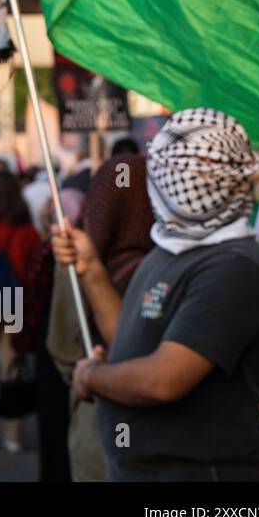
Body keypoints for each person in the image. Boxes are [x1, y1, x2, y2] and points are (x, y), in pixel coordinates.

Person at [53, 108, 259, 481]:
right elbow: (129, 343)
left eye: (203, 172)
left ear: (234, 180)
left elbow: (163, 380)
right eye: (178, 170)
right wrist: (92, 269)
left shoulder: (234, 267)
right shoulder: (164, 252)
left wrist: (94, 375)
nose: (188, 183)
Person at [46, 152, 151, 481]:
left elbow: (61, 346)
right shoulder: (168, 268)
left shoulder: (74, 262)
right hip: (158, 428)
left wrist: (87, 373)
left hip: (95, 420)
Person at [0, 164, 42, 451]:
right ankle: (12, 434)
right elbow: (34, 268)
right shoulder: (27, 230)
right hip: (17, 302)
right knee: (11, 365)